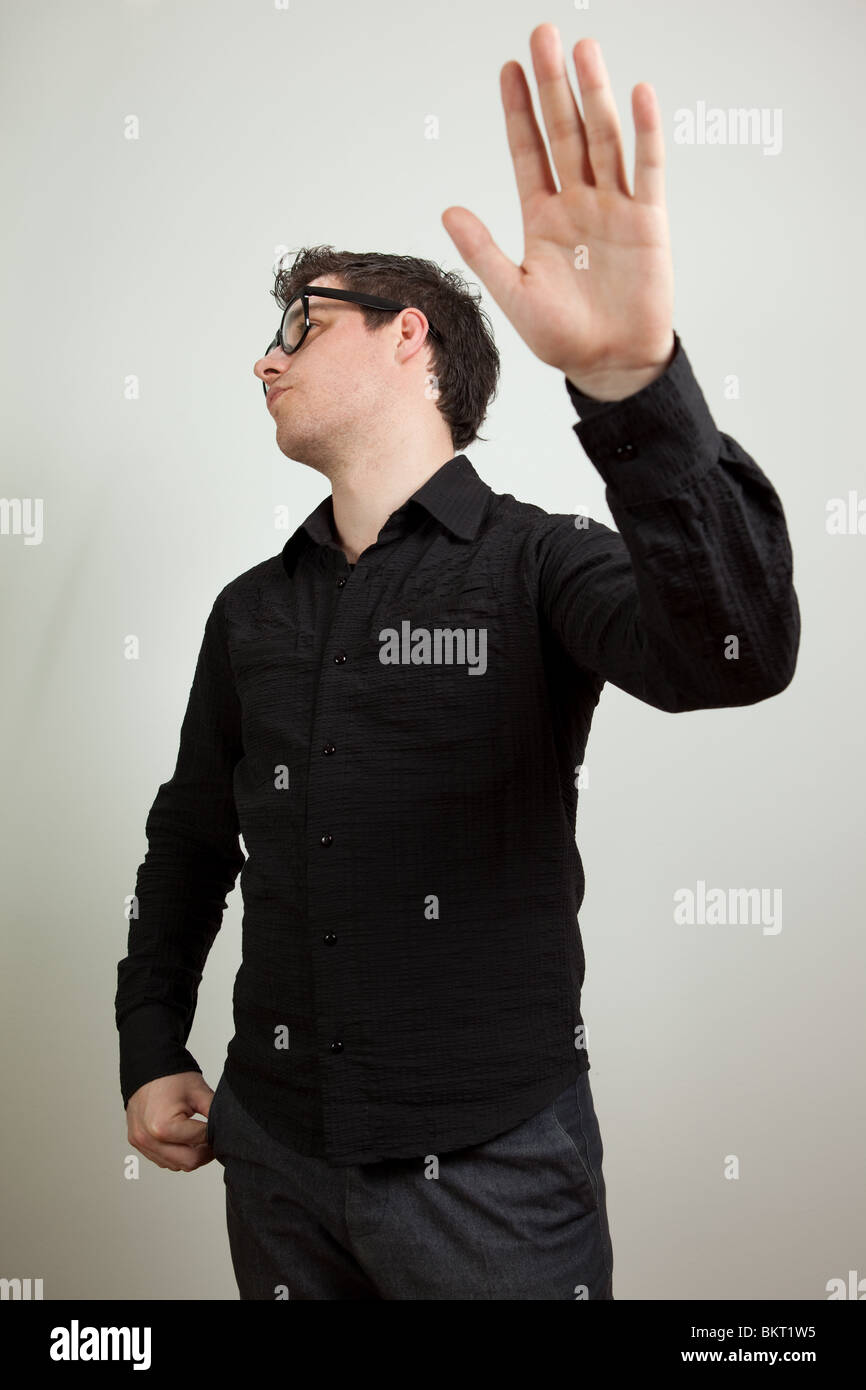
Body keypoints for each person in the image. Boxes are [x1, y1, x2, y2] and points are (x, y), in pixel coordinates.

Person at [115, 25, 799, 1300]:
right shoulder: (247, 609)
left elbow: (734, 654)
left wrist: (628, 382)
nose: (263, 357)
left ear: (407, 339)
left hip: (490, 1177)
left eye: (300, 326)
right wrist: (150, 1042)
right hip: (268, 1151)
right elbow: (191, 840)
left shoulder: (544, 564)